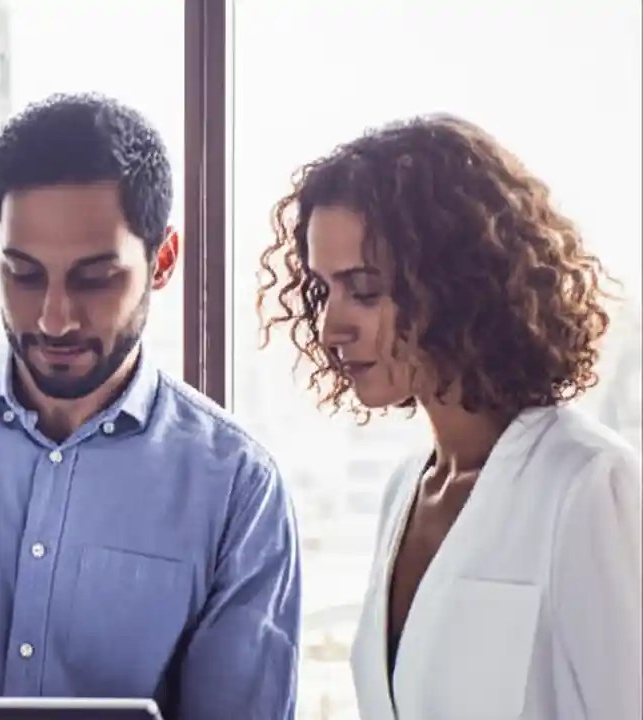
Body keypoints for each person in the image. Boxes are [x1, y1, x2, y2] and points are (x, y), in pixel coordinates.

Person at [0, 93, 301, 720]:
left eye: (94, 278)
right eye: (24, 274)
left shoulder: (237, 489)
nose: (53, 319)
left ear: (162, 261)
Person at [258, 114, 642, 719]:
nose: (332, 327)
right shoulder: (405, 490)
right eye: (322, 289)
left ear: (456, 285)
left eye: (364, 290)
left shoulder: (589, 485)